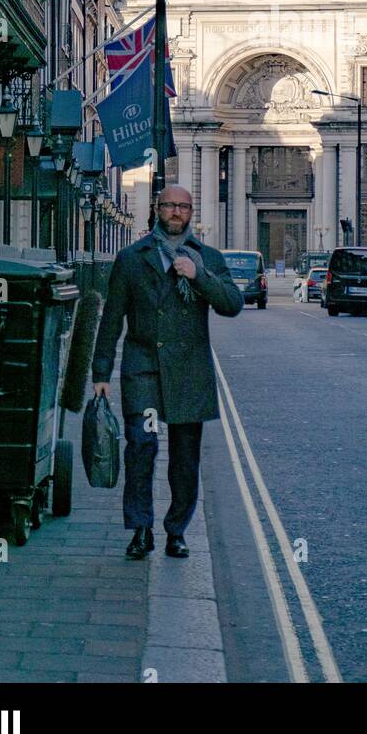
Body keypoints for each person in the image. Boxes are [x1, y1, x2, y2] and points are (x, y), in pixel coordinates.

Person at [91, 185, 243, 560]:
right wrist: (101, 374)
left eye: (184, 207)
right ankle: (141, 529)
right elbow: (111, 319)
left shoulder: (206, 257)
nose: (176, 212)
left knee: (184, 458)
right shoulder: (131, 258)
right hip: (143, 369)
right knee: (141, 447)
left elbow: (232, 304)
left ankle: (176, 530)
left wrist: (198, 275)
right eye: (170, 206)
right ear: (157, 209)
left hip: (189, 373)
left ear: (191, 213)